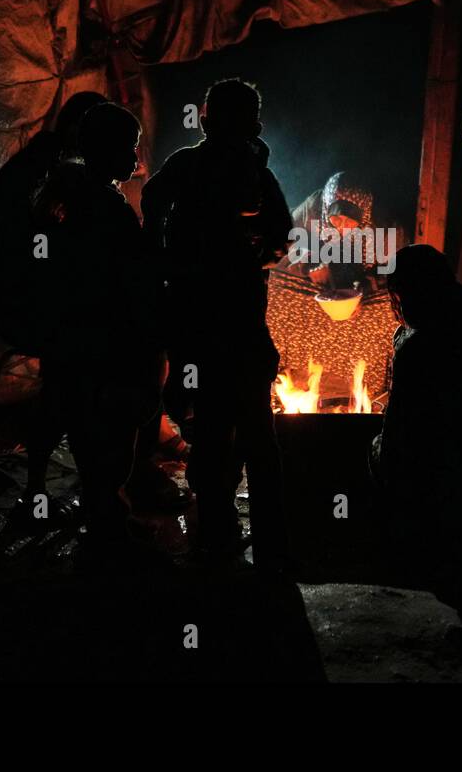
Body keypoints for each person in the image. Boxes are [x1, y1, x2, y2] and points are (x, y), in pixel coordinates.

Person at [141, 79, 292, 569]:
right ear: (254, 124)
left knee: (211, 425)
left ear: (204, 119)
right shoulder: (253, 175)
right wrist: (249, 255)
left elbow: (152, 202)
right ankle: (266, 539)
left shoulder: (192, 166)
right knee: (253, 426)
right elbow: (282, 239)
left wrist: (167, 259)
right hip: (237, 323)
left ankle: (219, 532)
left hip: (199, 321)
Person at [32, 102, 163, 564]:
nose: (134, 157)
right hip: (107, 342)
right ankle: (108, 535)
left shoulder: (68, 195)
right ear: (105, 150)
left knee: (89, 433)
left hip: (74, 338)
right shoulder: (104, 206)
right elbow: (130, 275)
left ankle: (103, 521)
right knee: (111, 438)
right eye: (129, 147)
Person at [0, 91, 105, 524]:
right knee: (85, 364)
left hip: (34, 297)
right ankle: (58, 489)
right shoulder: (47, 173)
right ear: (79, 131)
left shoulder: (54, 166)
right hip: (24, 305)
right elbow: (40, 250)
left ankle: (96, 479)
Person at [368, 245, 462, 604]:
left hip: (451, 465)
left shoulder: (419, 348)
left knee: (381, 452)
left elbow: (398, 438)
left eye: (395, 297)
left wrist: (379, 450)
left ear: (404, 293)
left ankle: (426, 560)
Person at [282, 171, 406, 293]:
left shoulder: (383, 227)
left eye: (349, 222)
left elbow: (396, 270)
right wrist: (308, 264)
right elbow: (284, 238)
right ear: (326, 209)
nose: (341, 228)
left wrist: (369, 284)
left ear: (363, 217)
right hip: (320, 283)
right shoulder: (313, 208)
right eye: (336, 219)